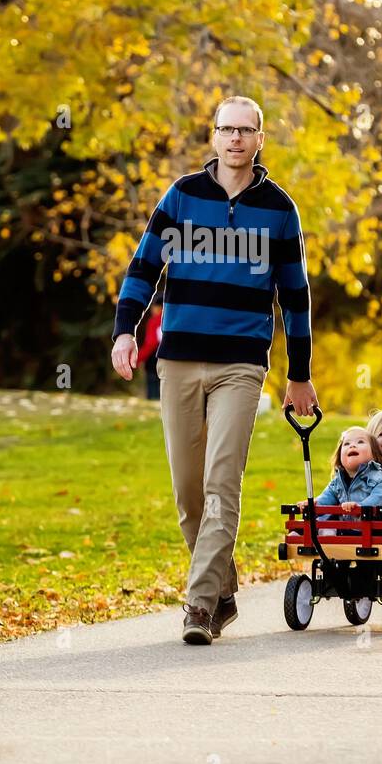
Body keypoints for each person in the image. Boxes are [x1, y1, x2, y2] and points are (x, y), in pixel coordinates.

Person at [111, 95, 318, 646]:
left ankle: (199, 608)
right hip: (176, 361)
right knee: (188, 493)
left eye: (245, 131)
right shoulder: (181, 197)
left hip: (241, 365)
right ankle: (223, 591)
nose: (234, 139)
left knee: (221, 483)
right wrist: (125, 331)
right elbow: (143, 267)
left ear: (259, 140)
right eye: (226, 129)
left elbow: (295, 297)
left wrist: (299, 374)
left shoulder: (279, 209)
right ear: (214, 136)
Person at [135, 297, 163, 400]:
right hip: (169, 361)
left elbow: (150, 344)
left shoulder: (155, 321)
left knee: (153, 391)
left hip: (153, 360)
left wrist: (137, 359)